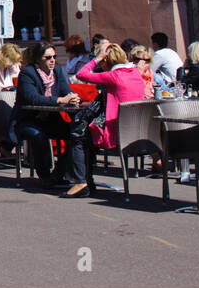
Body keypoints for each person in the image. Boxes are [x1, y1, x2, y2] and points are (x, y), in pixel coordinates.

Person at [13, 41, 92, 198]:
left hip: (49, 118)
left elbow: (66, 90)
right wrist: (59, 100)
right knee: (38, 136)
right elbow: (32, 98)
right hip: (28, 119)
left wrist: (73, 98)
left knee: (77, 135)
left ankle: (59, 173)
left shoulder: (57, 71)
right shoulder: (27, 73)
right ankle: (44, 177)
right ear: (38, 59)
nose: (52, 60)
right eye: (47, 57)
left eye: (54, 57)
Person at [75, 41, 146, 152]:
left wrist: (97, 58)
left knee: (79, 134)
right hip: (138, 130)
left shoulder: (113, 76)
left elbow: (81, 74)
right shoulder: (135, 72)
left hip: (117, 133)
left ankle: (82, 169)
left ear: (105, 61)